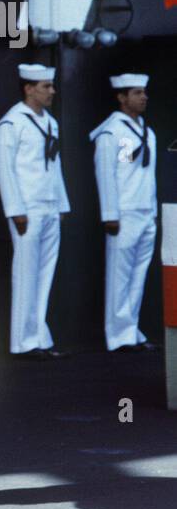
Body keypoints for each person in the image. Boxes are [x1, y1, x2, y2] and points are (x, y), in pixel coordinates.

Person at [0, 63, 70, 360]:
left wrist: (62, 203)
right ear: (28, 88)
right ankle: (22, 342)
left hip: (49, 206)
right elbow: (5, 169)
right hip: (27, 208)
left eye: (51, 86)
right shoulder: (13, 123)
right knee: (26, 274)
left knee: (44, 274)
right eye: (45, 87)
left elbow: (55, 166)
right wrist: (16, 210)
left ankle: (39, 336)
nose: (52, 91)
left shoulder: (50, 122)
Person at [90, 73, 159, 353]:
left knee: (138, 276)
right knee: (120, 276)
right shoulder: (112, 132)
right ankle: (118, 334)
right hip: (124, 212)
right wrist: (110, 213)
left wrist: (153, 211)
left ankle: (131, 330)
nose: (144, 97)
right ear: (122, 97)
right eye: (137, 93)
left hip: (145, 211)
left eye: (144, 92)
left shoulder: (147, 130)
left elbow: (146, 175)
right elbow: (106, 174)